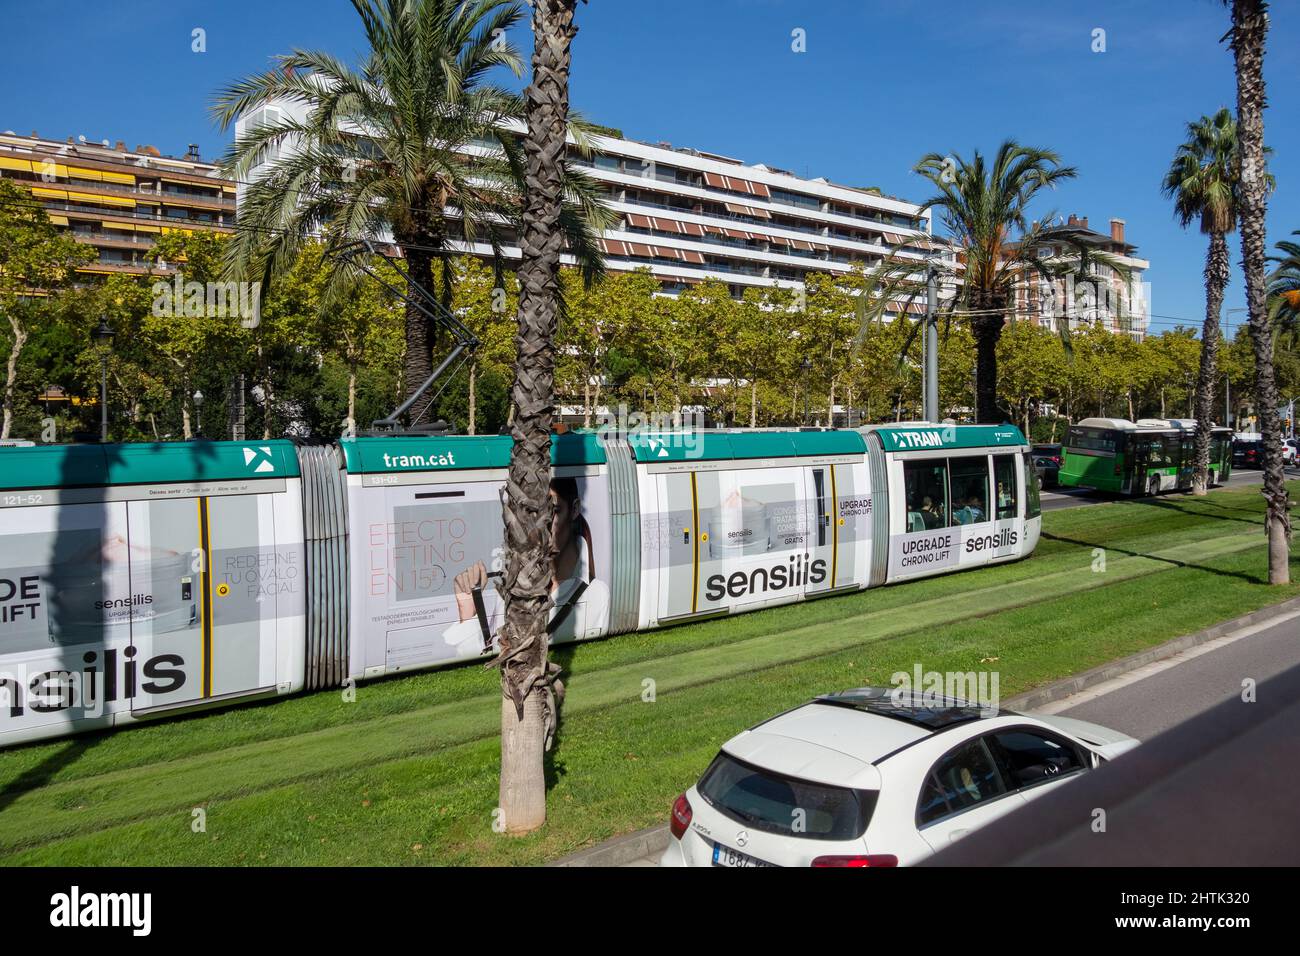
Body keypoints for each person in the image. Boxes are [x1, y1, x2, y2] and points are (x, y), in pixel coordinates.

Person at [441, 477, 610, 659]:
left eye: (552, 510)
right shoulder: (513, 585)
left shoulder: (596, 594)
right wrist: (468, 614)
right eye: (530, 514)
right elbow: (489, 655)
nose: (539, 526)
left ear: (574, 509)